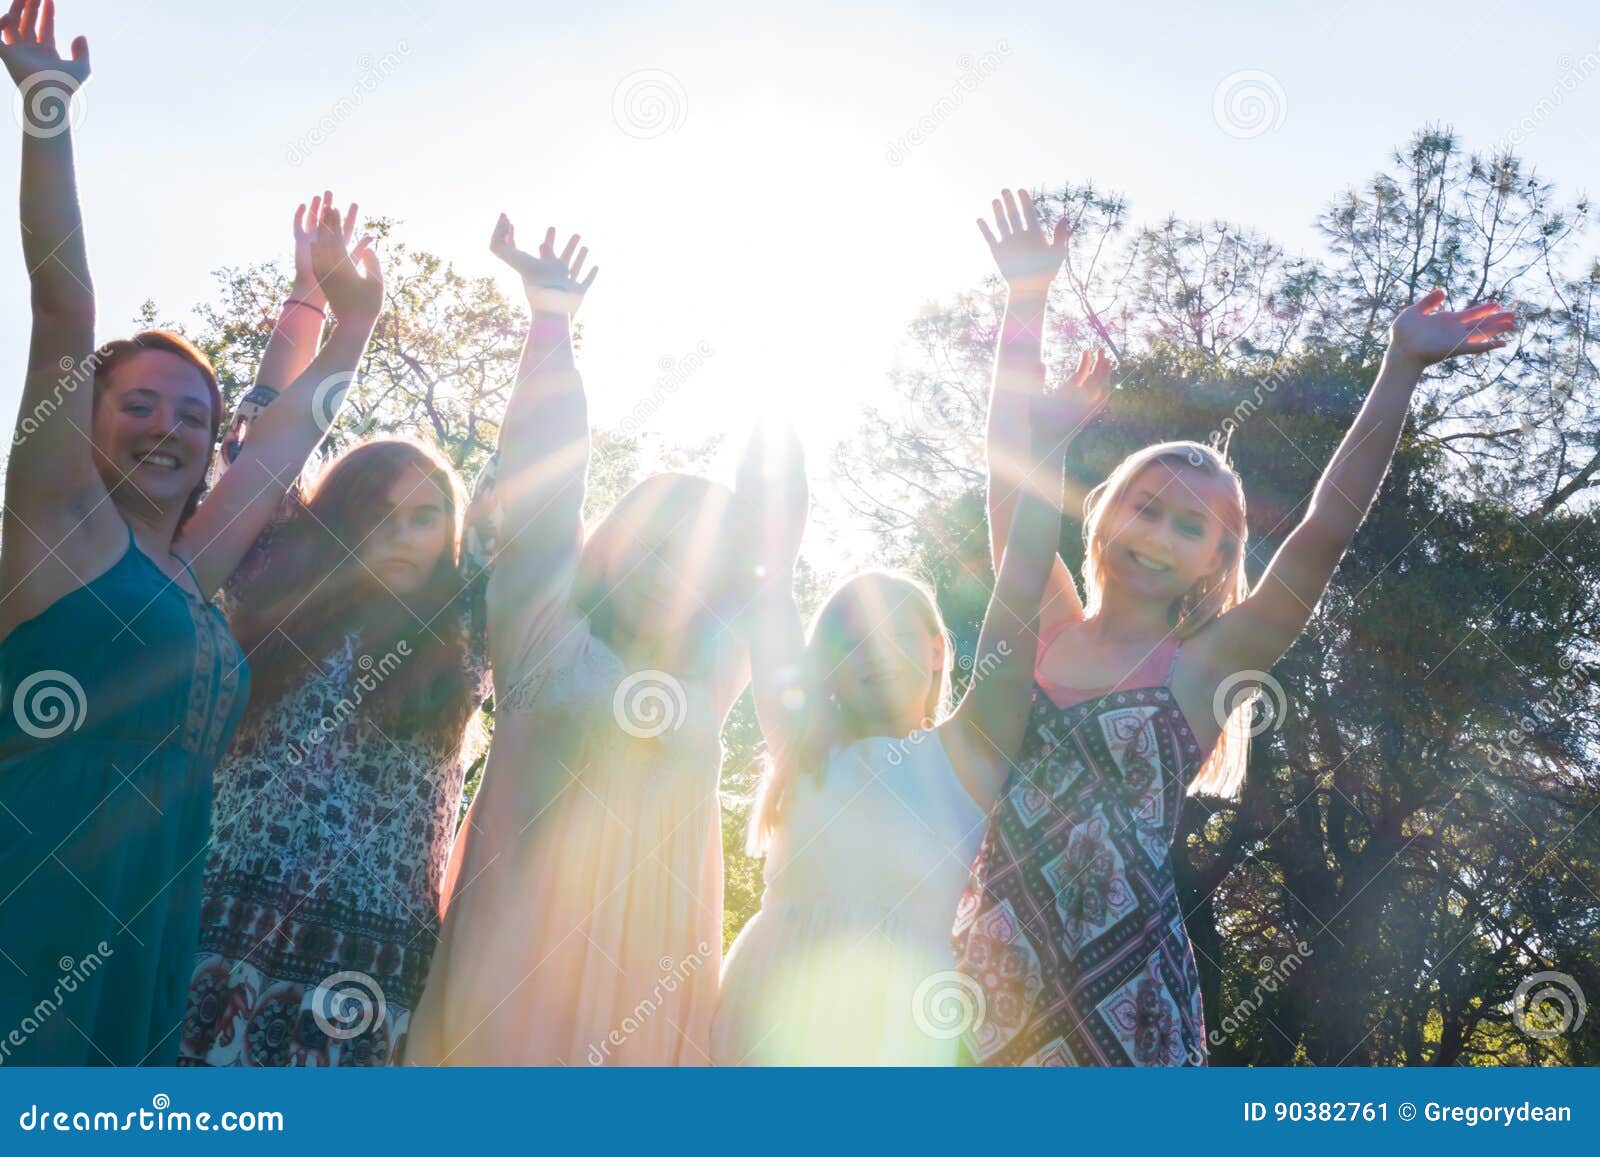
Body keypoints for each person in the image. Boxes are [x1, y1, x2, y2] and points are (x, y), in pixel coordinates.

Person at [954, 187, 1517, 1066]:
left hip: (1127, 1000)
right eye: (1146, 508)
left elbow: (1323, 534)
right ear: (1102, 518)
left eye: (1191, 527)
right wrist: (1025, 305)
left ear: (1217, 561)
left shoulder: (1202, 668)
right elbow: (1006, 478)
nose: (1159, 534)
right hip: (994, 970)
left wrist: (1399, 367)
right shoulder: (1044, 619)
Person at [0, 0, 382, 1064]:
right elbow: (65, 307)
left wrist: (354, 320)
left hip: (151, 915)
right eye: (138, 403)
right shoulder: (55, 530)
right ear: (84, 417)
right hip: (33, 907)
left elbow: (294, 432)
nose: (169, 424)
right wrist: (44, 104)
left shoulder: (185, 568)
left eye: (193, 412)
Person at [408, 217, 756, 1065]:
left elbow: (775, 524)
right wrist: (552, 330)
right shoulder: (542, 634)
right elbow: (545, 487)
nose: (671, 570)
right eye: (655, 543)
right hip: (512, 976)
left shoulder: (717, 674)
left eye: (696, 560)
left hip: (649, 995)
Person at [712, 397, 1074, 1065]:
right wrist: (773, 444)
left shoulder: (967, 753)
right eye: (849, 640)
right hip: (766, 1006)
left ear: (938, 648)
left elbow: (1019, 592)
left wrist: (1048, 457)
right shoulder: (803, 745)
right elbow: (771, 585)